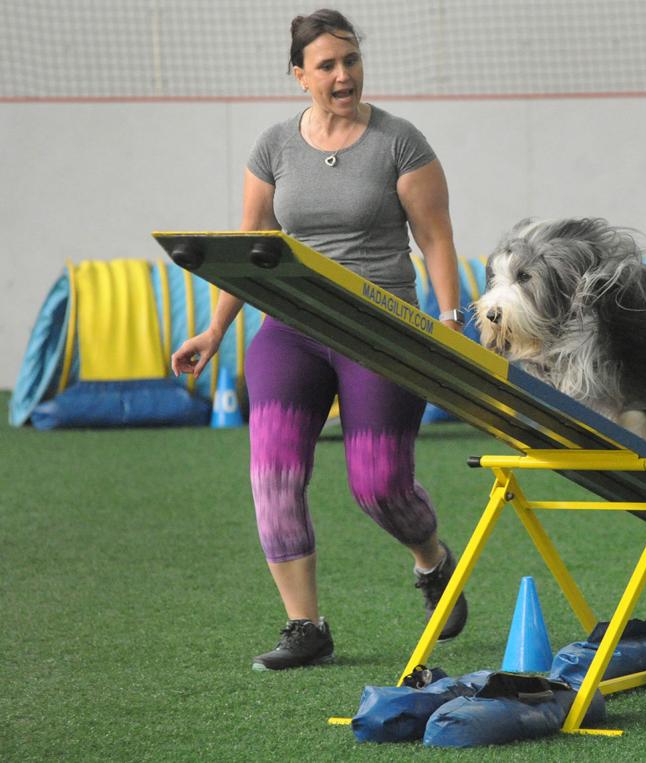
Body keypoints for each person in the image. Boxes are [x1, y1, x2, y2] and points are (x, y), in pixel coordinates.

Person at [171, 8, 468, 671]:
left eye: (351, 60)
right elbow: (250, 249)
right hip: (292, 331)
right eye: (327, 64)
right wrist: (215, 329)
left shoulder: (400, 142)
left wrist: (449, 318)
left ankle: (432, 560)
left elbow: (437, 238)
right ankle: (305, 626)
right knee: (273, 475)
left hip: (380, 327)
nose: (343, 75)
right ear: (300, 75)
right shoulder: (273, 147)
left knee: (379, 485)